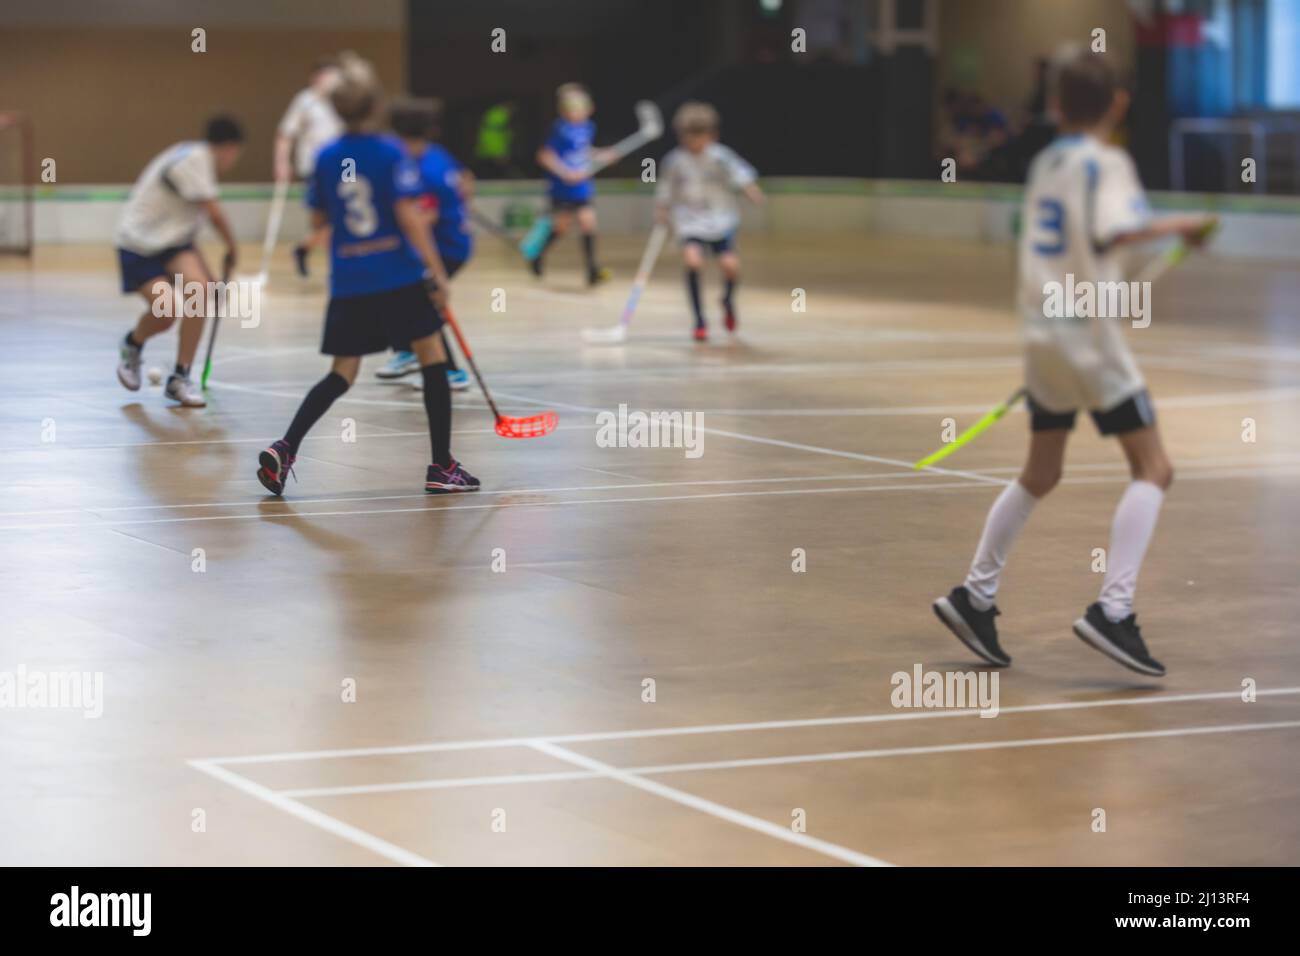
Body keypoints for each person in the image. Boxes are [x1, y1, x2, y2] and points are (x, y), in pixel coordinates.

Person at [931, 47, 1216, 677]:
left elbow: (1094, 252)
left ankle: (974, 597)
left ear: (1055, 105)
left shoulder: (1046, 163)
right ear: (1118, 105)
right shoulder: (1104, 162)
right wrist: (1184, 224)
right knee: (1155, 468)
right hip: (1090, 343)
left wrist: (1152, 249)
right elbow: (1116, 234)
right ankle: (1112, 612)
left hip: (1044, 336)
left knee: (1042, 470)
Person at [255, 54, 478, 496]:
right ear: (374, 105)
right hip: (397, 276)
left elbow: (321, 217)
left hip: (350, 282)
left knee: (341, 374)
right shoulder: (389, 151)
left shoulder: (325, 157)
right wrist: (437, 272)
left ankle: (285, 448)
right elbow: (409, 216)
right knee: (433, 360)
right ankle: (442, 466)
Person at [115, 116, 244, 407]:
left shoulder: (198, 160)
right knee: (167, 311)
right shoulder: (196, 160)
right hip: (138, 244)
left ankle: (180, 378)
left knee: (199, 291)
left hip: (171, 245)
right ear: (229, 148)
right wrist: (233, 246)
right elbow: (215, 214)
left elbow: (186, 232)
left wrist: (211, 280)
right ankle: (132, 345)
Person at [377, 97, 473, 391]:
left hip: (443, 248)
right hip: (456, 241)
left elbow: (423, 218)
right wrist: (459, 209)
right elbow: (467, 180)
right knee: (403, 298)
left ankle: (450, 371)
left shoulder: (420, 170)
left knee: (425, 305)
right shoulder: (435, 155)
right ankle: (408, 352)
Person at [655, 102, 764, 342]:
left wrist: (751, 191)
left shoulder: (721, 157)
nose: (693, 143)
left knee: (730, 267)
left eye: (699, 137)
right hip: (689, 221)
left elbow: (741, 174)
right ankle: (699, 320)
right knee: (693, 262)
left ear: (712, 135)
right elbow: (665, 188)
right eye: (688, 137)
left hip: (720, 220)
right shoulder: (674, 161)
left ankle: (727, 299)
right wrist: (662, 209)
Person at [529, 83, 614, 284]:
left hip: (582, 187)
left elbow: (582, 151)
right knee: (561, 228)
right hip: (562, 188)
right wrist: (564, 172)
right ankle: (537, 255)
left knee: (588, 223)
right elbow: (544, 156)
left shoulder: (588, 128)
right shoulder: (559, 129)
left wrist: (601, 155)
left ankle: (592, 270)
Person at [274, 56, 343, 277]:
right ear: (316, 78)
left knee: (341, 216)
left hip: (344, 167)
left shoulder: (342, 101)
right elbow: (285, 134)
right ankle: (310, 252)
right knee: (323, 220)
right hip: (314, 169)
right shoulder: (304, 101)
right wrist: (282, 163)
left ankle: (304, 249)